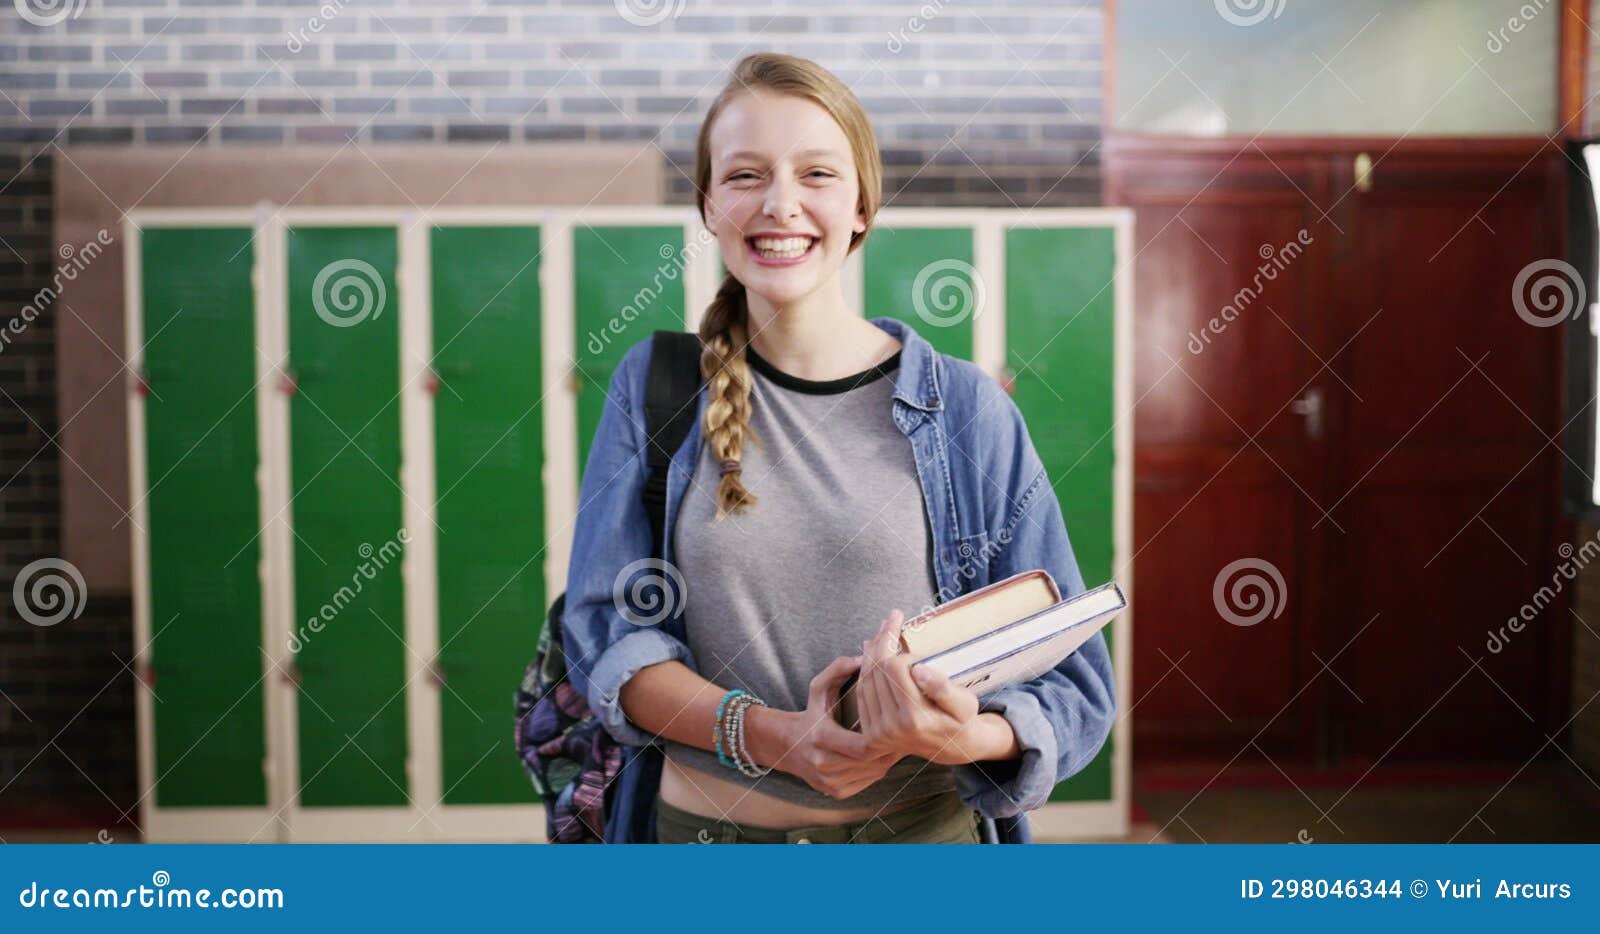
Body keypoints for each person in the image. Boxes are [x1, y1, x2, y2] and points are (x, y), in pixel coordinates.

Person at [562, 51, 1116, 844]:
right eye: (746, 175)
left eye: (816, 173)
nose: (780, 204)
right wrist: (772, 737)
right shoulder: (656, 385)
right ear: (710, 206)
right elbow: (606, 639)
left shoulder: (965, 410)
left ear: (862, 205)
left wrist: (961, 737)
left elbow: (1074, 681)